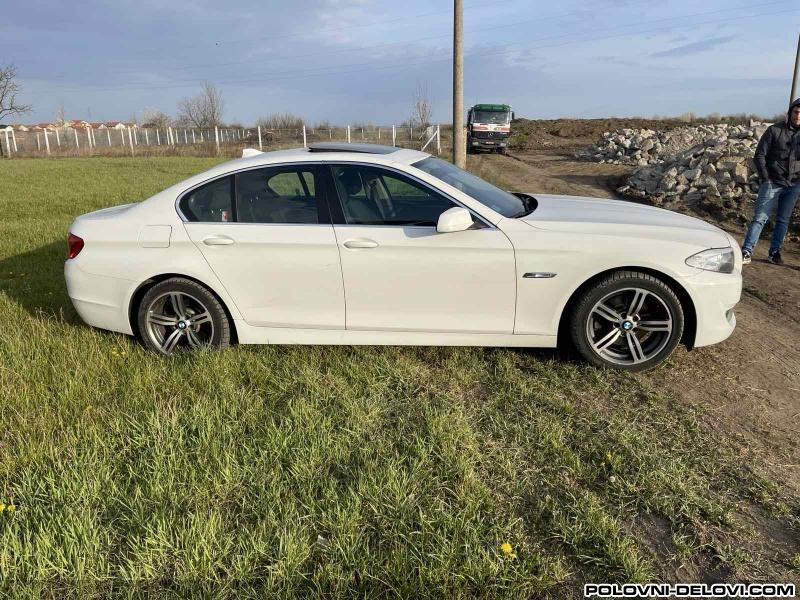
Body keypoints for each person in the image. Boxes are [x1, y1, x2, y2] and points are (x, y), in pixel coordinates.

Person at [741, 98, 800, 265]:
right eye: (796, 112)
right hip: (772, 182)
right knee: (760, 217)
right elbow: (759, 155)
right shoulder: (774, 131)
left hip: (794, 185)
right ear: (790, 113)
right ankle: (747, 250)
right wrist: (765, 178)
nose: (798, 116)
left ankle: (774, 253)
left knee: (783, 220)